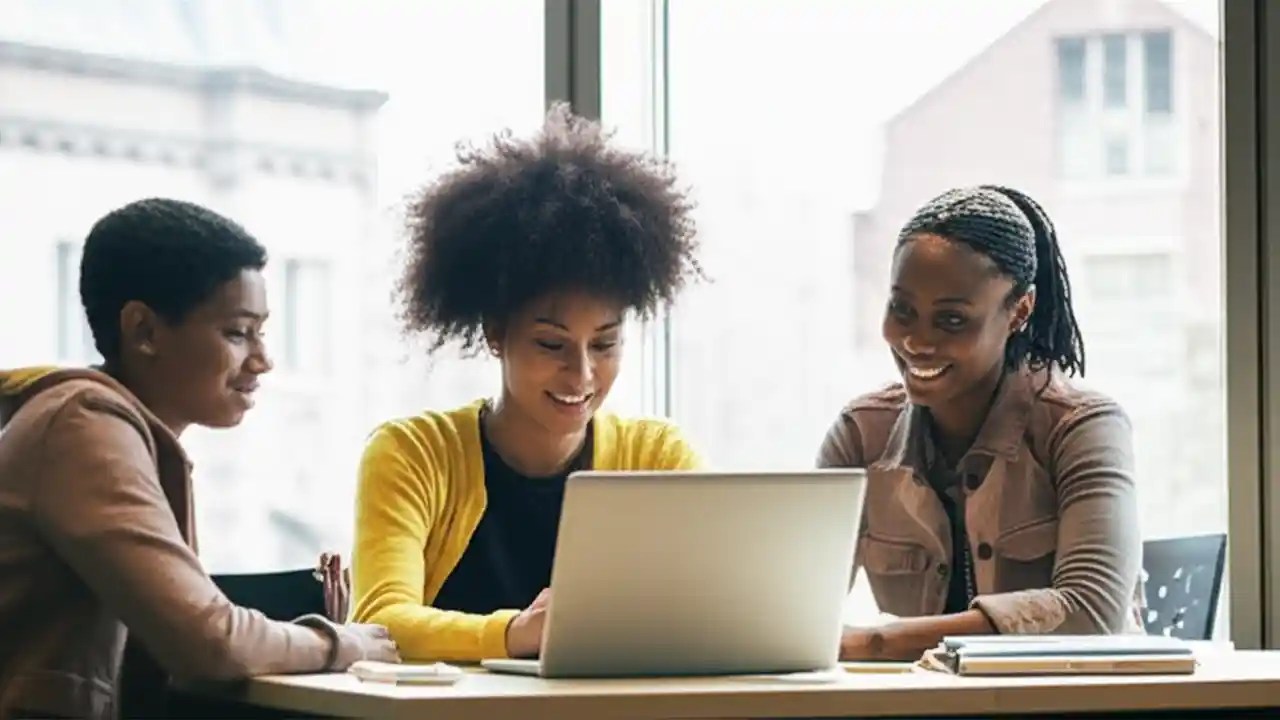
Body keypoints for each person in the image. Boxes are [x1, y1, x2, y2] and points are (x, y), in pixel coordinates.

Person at [0, 199, 398, 720]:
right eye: (237, 332)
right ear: (143, 331)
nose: (262, 359)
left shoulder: (104, 425)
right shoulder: (82, 425)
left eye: (261, 331)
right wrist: (344, 645)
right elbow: (210, 641)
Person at [351, 104, 705, 662]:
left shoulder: (657, 455)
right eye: (551, 344)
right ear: (495, 333)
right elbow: (379, 623)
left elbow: (710, 612)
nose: (583, 374)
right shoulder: (411, 454)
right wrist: (515, 633)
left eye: (605, 344)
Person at [818, 185, 1142, 661]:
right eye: (902, 310)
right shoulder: (860, 435)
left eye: (951, 320)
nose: (916, 342)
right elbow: (797, 610)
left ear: (1020, 311)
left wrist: (876, 641)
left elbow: (1091, 613)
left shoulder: (1083, 428)